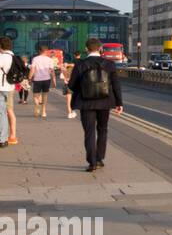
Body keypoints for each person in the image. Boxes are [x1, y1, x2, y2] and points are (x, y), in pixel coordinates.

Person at [67, 39, 123, 171]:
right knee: (102, 130)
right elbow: (116, 85)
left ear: (86, 49)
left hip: (86, 103)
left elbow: (72, 85)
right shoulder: (109, 64)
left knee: (89, 132)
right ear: (100, 49)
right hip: (105, 102)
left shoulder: (80, 64)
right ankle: (99, 159)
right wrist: (119, 103)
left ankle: (92, 162)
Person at [28, 45, 60, 118]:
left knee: (36, 95)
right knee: (45, 95)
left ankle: (37, 107)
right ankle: (43, 111)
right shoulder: (49, 60)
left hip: (37, 79)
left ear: (39, 51)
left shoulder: (35, 59)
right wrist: (54, 81)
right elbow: (52, 71)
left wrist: (29, 78)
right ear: (46, 51)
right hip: (46, 79)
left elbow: (32, 69)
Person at [0, 37, 17, 147]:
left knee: (2, 113)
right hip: (11, 88)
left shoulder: (2, 57)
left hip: (1, 88)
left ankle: (3, 139)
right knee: (9, 111)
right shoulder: (13, 56)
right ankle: (12, 135)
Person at [64, 52, 80, 118]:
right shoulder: (78, 67)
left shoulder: (67, 68)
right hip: (75, 85)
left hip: (68, 84)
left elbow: (62, 76)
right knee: (74, 99)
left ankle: (70, 112)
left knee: (68, 100)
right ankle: (72, 111)